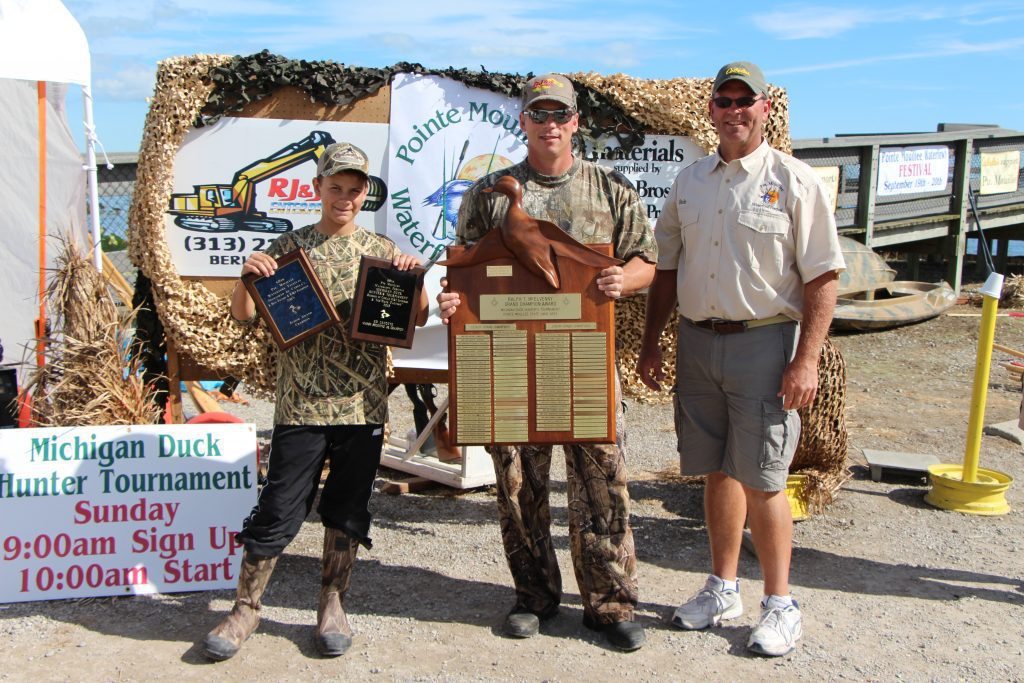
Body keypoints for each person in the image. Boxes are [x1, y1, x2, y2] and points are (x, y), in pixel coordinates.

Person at [438, 73, 657, 651]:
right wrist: (453, 301)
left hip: (582, 357)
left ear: (576, 121)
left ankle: (610, 603)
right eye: (539, 113)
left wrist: (622, 278)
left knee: (602, 485)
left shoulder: (610, 189)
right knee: (517, 485)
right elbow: (462, 269)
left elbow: (647, 262)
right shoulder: (489, 193)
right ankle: (533, 596)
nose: (550, 123)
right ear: (524, 122)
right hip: (508, 359)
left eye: (560, 113)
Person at [637, 61, 845, 657]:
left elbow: (824, 277)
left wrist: (806, 361)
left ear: (765, 110)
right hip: (698, 340)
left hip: (765, 342)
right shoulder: (691, 181)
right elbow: (667, 270)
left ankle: (781, 604)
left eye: (744, 101)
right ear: (712, 111)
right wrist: (652, 342)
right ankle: (722, 586)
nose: (733, 111)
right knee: (717, 469)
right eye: (723, 101)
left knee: (765, 477)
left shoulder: (794, 181)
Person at [203, 142, 429, 661]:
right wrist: (246, 276)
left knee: (347, 509)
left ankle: (332, 604)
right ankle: (245, 608)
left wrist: (411, 277)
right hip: (300, 406)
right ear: (316, 190)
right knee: (279, 506)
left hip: (362, 406)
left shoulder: (381, 252)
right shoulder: (287, 250)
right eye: (335, 189)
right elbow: (242, 315)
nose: (344, 198)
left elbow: (412, 319)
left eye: (354, 190)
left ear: (365, 194)